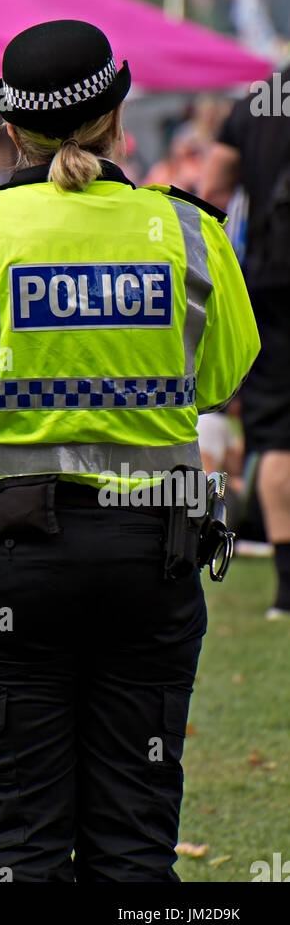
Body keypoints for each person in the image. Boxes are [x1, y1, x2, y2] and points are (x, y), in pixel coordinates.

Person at [0, 19, 259, 882]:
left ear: (7, 125)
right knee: (136, 846)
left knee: (19, 848)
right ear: (120, 113)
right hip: (151, 560)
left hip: (9, 562)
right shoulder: (188, 234)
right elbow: (222, 373)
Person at [201, 63, 290, 618]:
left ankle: (287, 588)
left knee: (278, 436)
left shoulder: (260, 102)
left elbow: (212, 188)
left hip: (274, 280)